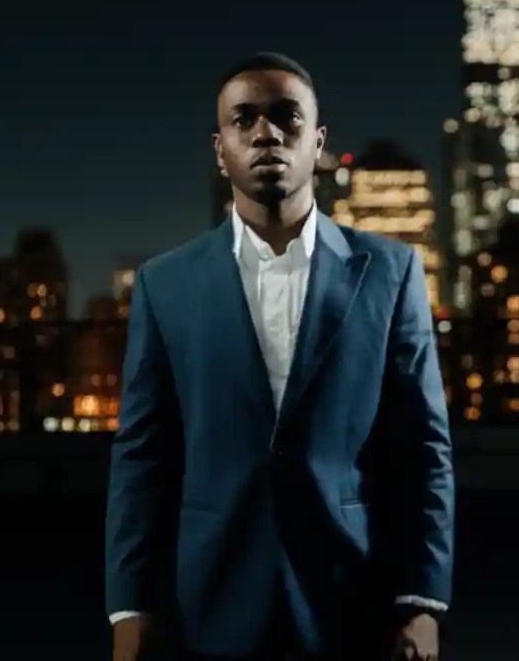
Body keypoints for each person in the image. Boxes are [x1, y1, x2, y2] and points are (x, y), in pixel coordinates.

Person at [105, 52, 455, 660]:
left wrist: (422, 601)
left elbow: (423, 449)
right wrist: (130, 608)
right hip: (209, 600)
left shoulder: (391, 273)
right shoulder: (165, 284)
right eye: (245, 120)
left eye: (286, 118)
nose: (266, 133)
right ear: (220, 149)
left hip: (350, 596)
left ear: (317, 143)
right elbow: (143, 458)